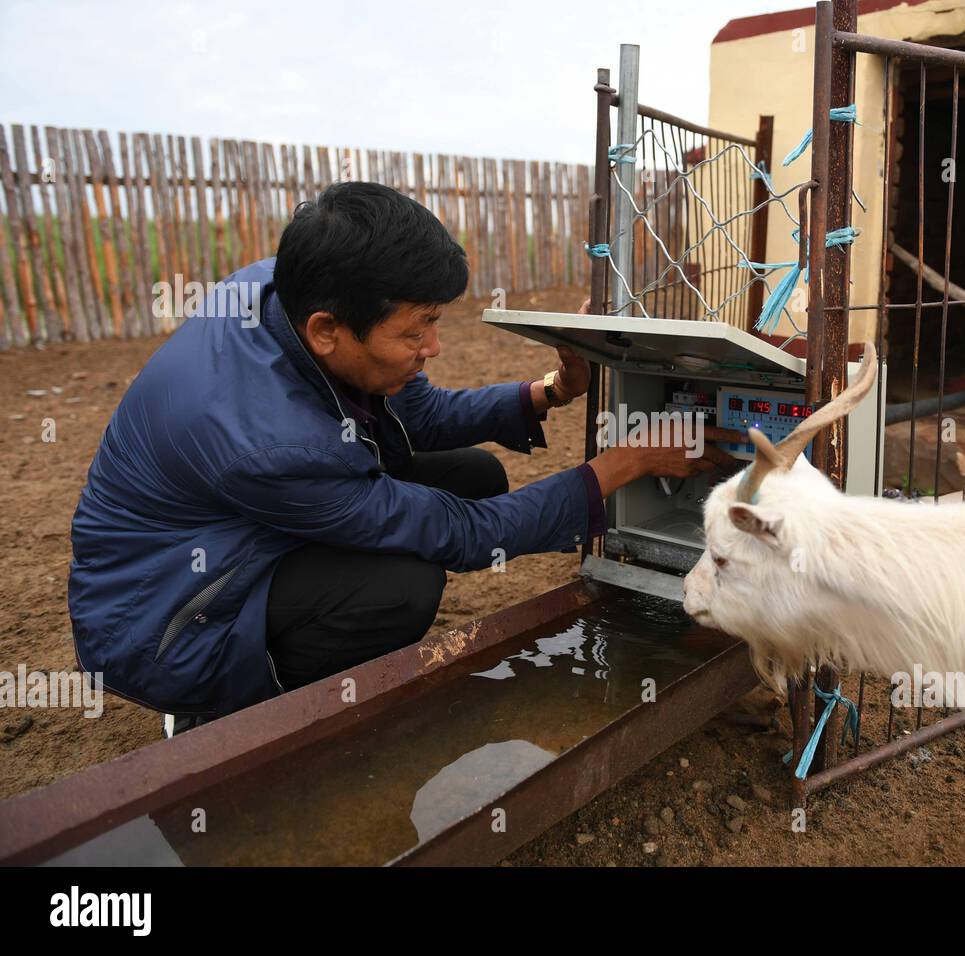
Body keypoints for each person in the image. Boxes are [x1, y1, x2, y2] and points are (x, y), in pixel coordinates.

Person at [68, 181, 732, 735]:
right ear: (328, 330)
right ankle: (226, 715)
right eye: (416, 331)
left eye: (435, 323)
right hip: (159, 614)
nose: (434, 347)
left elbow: (419, 413)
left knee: (476, 475)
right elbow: (466, 536)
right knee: (400, 590)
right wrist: (622, 466)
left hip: (233, 525)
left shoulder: (288, 290)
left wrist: (554, 391)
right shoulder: (273, 443)